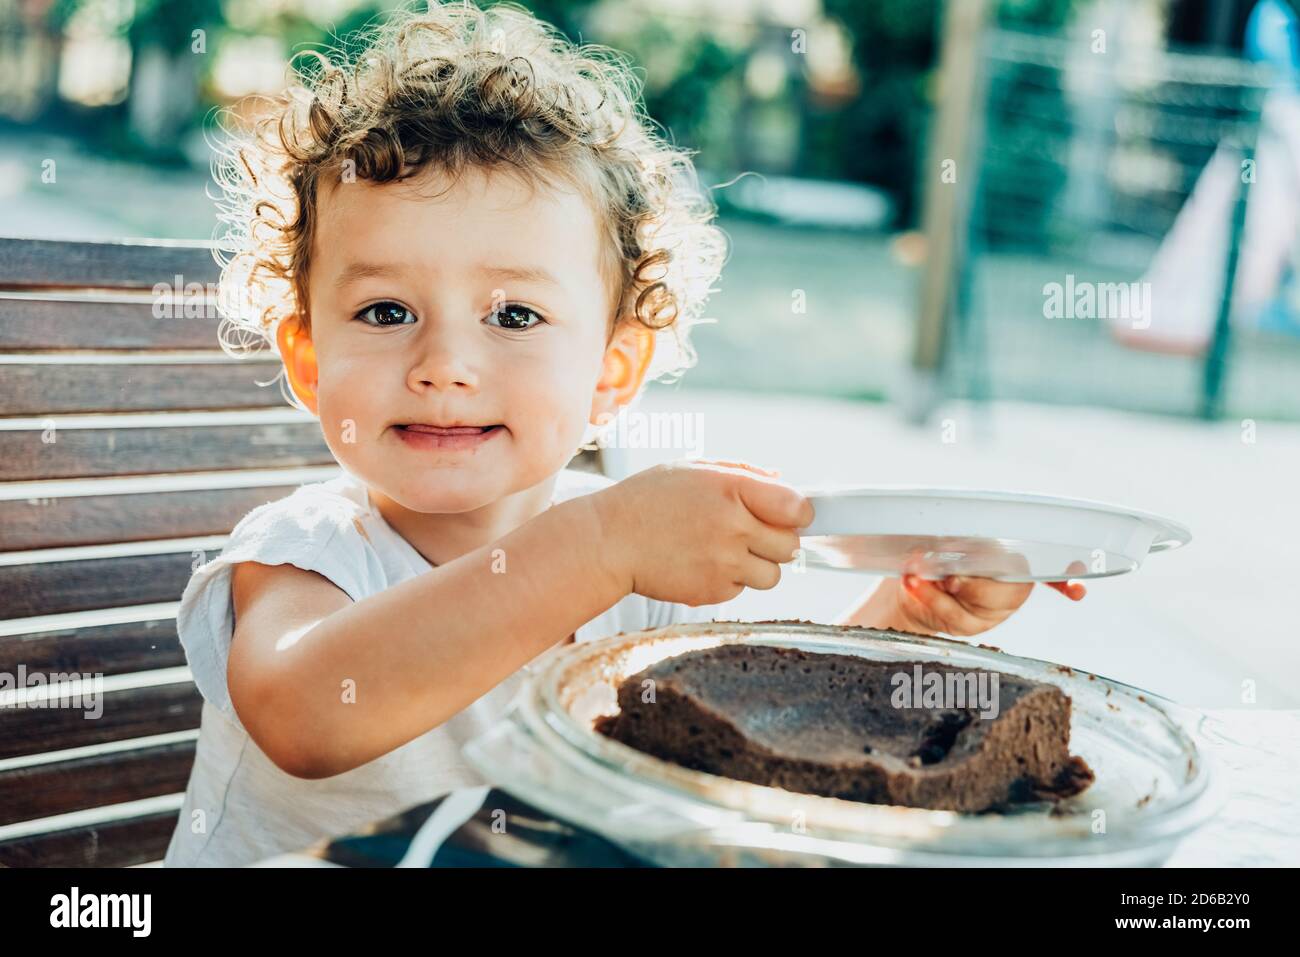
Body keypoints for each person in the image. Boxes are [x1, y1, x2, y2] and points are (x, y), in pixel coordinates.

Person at [163, 0, 1083, 867]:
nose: (445, 362)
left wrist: (905, 621)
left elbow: (737, 749)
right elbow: (307, 713)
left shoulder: (630, 581)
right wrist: (599, 545)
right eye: (387, 308)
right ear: (311, 359)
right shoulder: (308, 554)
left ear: (612, 371)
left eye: (514, 315)